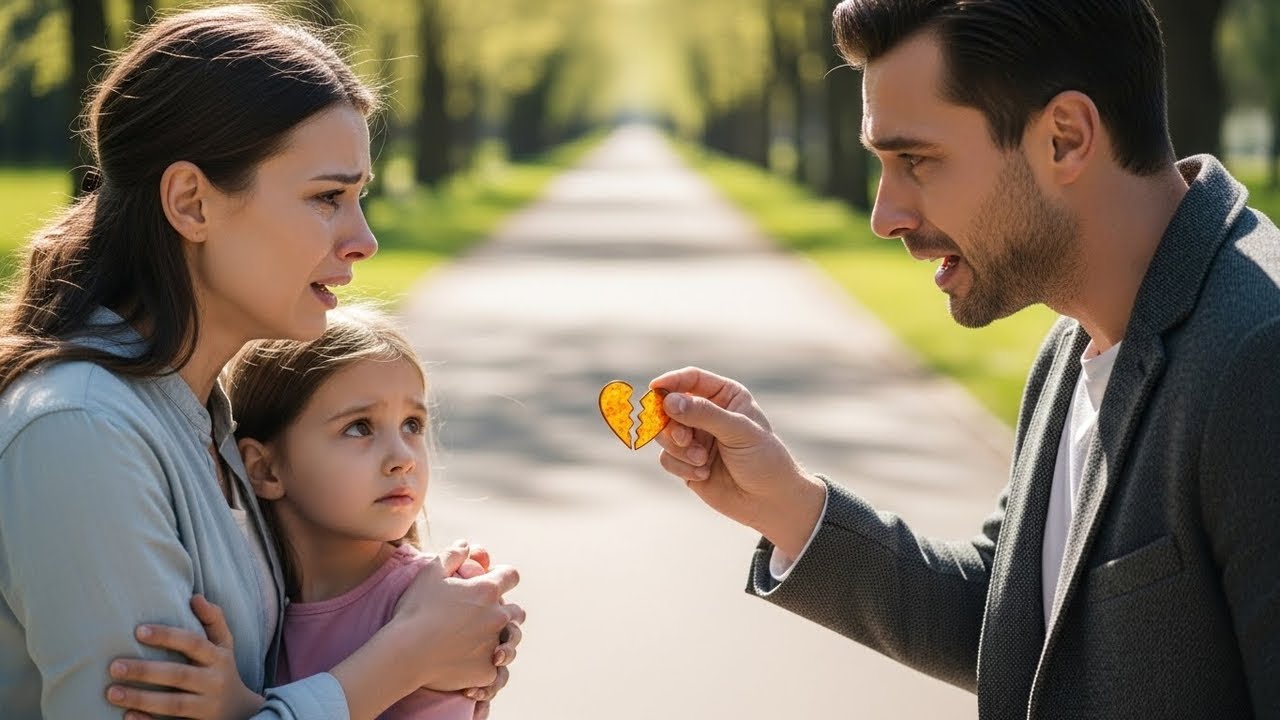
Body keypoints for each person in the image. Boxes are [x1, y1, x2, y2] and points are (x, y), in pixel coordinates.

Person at [650, 0, 1280, 717]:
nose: (885, 216)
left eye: (916, 160)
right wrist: (787, 506)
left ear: (1066, 139)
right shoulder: (1072, 345)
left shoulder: (1258, 356)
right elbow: (1017, 625)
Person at [0, 5, 522, 719]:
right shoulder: (82, 431)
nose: (363, 239)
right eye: (327, 197)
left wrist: (437, 651)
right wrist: (404, 657)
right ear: (192, 203)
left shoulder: (206, 414)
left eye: (358, 198)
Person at [107, 305, 494, 719]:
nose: (403, 458)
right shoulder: (251, 600)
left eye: (412, 425)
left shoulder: (437, 604)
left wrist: (243, 709)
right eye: (360, 427)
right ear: (265, 469)